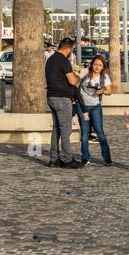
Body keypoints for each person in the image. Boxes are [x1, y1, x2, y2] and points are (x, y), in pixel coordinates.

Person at [44, 37, 82, 168]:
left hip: (51, 97)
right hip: (62, 99)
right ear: (69, 49)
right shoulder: (63, 60)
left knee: (56, 129)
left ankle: (53, 159)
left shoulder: (50, 59)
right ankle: (67, 159)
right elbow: (72, 81)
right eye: (71, 50)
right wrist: (78, 76)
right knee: (66, 129)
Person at [76, 54, 113, 166]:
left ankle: (107, 159)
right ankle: (85, 157)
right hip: (82, 107)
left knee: (99, 132)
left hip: (95, 107)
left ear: (103, 67)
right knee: (84, 132)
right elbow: (75, 81)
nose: (97, 67)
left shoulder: (104, 77)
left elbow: (109, 91)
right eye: (95, 64)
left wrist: (101, 91)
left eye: (100, 65)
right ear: (92, 64)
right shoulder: (85, 72)